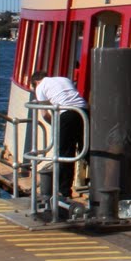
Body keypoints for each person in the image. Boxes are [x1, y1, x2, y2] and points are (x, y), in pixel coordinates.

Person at [30, 70, 88, 201]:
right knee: (86, 149)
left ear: (36, 82)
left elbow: (44, 114)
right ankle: (99, 186)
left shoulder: (40, 87)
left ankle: (64, 191)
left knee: (65, 154)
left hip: (67, 115)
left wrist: (55, 125)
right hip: (83, 112)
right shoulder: (64, 79)